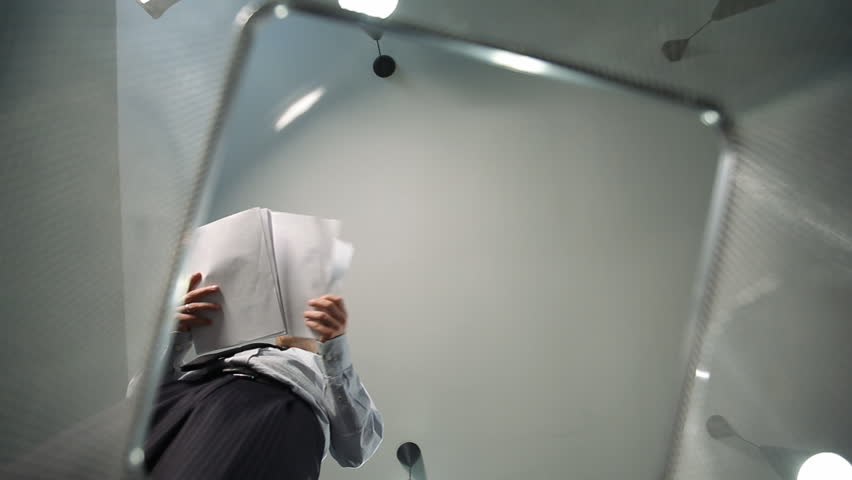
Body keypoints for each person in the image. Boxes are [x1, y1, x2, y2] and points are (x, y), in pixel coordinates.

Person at [143, 272, 383, 479]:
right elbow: (141, 404)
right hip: (191, 401)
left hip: (270, 417)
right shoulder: (233, 356)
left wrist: (335, 346)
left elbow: (357, 448)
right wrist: (176, 335)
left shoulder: (333, 373)